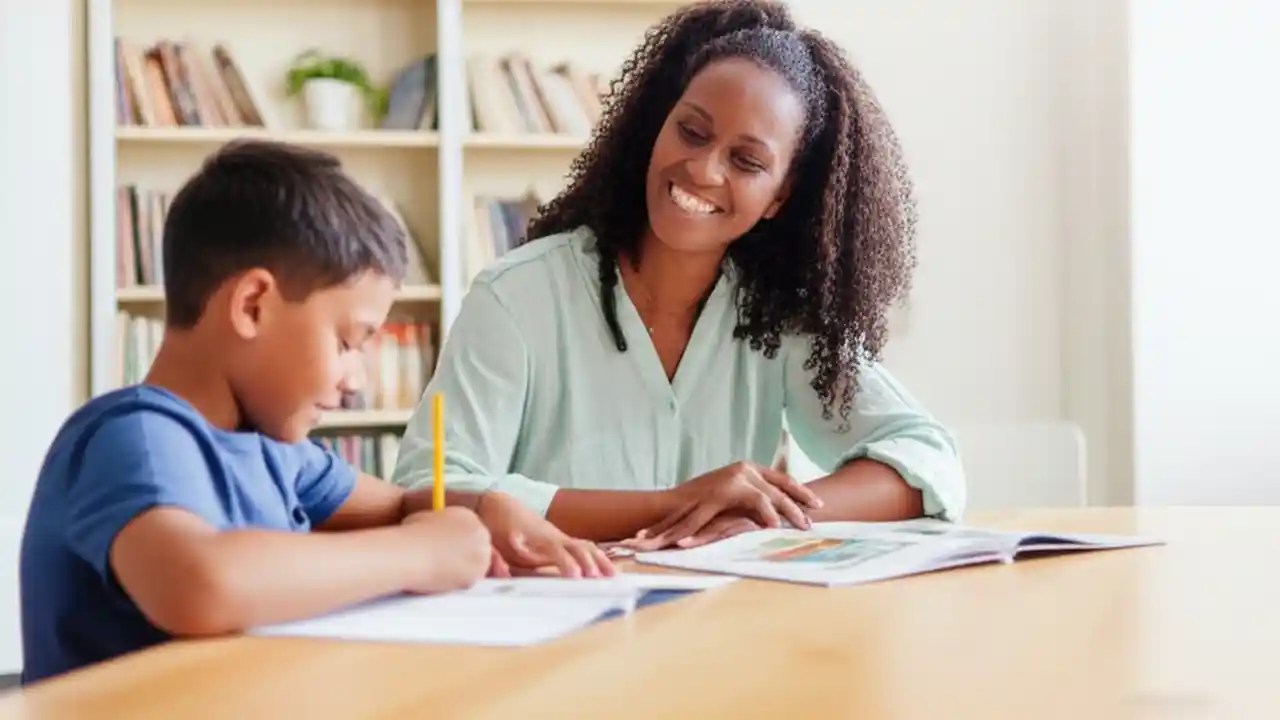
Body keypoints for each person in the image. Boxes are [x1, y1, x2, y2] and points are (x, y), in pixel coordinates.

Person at [18, 141, 611, 685]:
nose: (356, 380)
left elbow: (402, 504)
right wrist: (420, 553)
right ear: (253, 305)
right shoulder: (135, 438)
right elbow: (200, 583)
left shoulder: (279, 453)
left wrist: (486, 508)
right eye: (349, 342)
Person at [392, 0, 965, 550]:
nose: (702, 169)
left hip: (712, 628)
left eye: (746, 161)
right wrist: (674, 505)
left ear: (779, 196)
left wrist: (764, 515)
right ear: (657, 126)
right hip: (555, 629)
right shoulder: (517, 296)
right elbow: (431, 488)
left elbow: (928, 459)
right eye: (692, 132)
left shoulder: (774, 316)